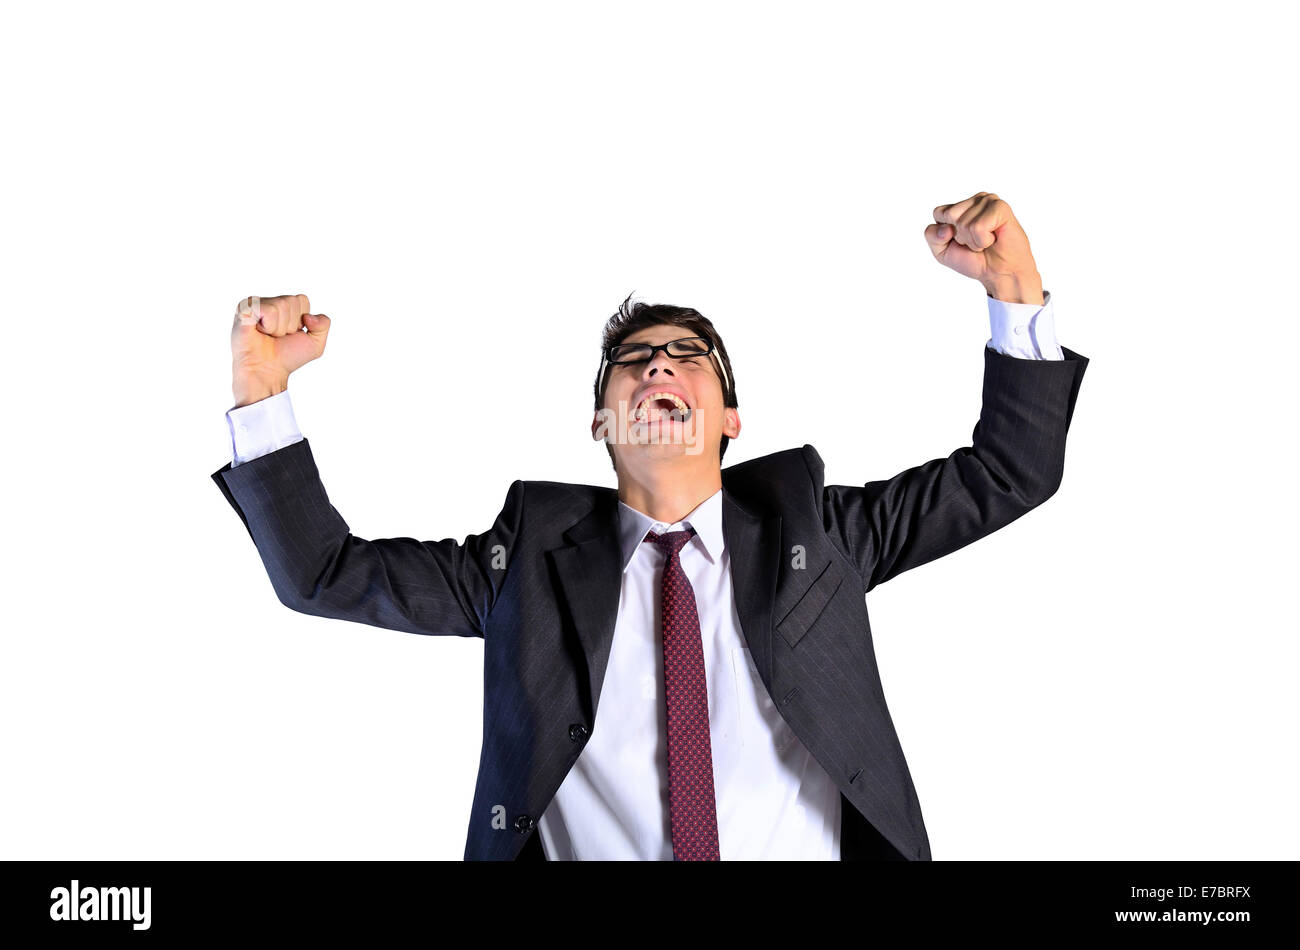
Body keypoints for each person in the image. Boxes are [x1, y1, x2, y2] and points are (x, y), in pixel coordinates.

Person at [211, 192, 1089, 860]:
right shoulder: (522, 564)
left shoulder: (821, 535)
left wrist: (1012, 290)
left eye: (686, 358)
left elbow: (1009, 473)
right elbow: (321, 572)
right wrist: (262, 389)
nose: (659, 365)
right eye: (633, 363)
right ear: (601, 423)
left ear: (731, 419)